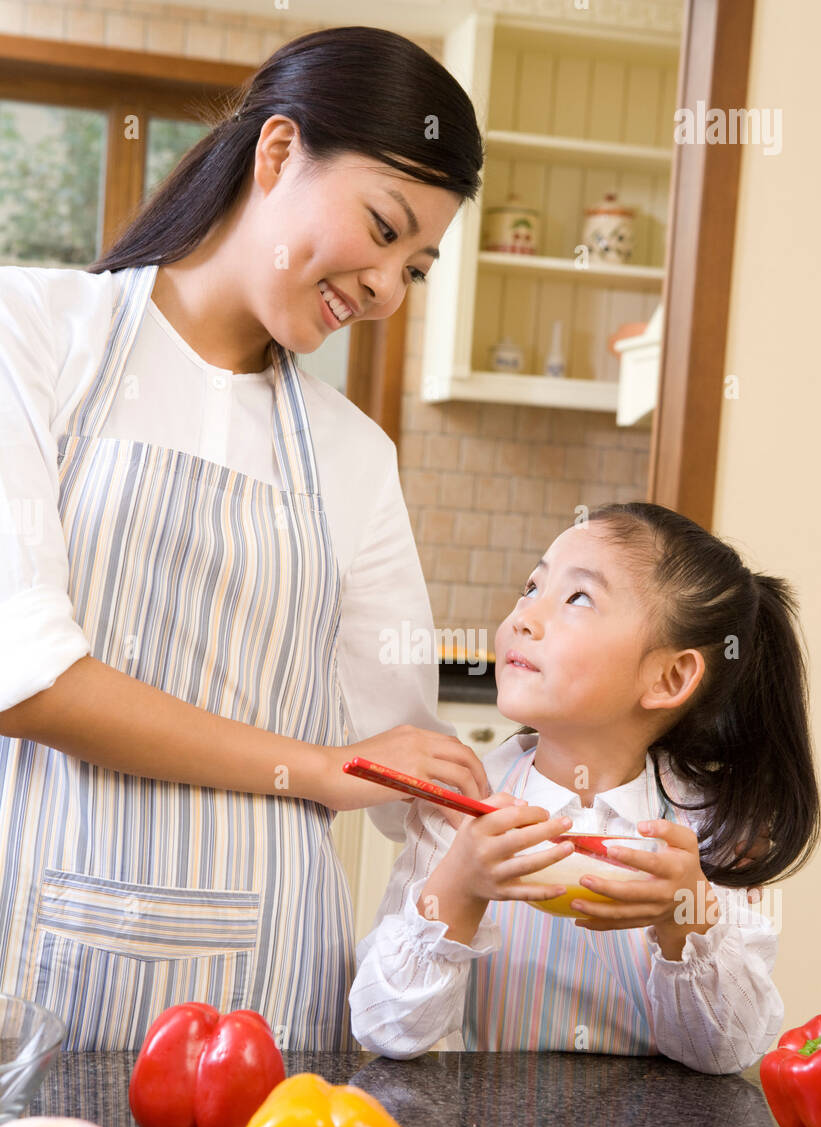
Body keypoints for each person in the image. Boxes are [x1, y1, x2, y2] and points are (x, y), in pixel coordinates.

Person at [0, 26, 491, 1050]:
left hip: (267, 1003)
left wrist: (605, 807)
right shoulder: (34, 333)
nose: (387, 289)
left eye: (418, 266)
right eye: (382, 226)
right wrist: (321, 767)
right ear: (276, 154)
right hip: (38, 973)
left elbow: (410, 778)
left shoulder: (353, 455)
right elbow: (25, 676)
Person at [350, 503, 821, 1072]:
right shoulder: (460, 808)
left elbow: (726, 1054)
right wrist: (459, 886)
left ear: (669, 677)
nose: (524, 616)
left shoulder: (708, 832)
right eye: (532, 586)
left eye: (577, 598)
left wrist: (686, 916)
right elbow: (385, 1030)